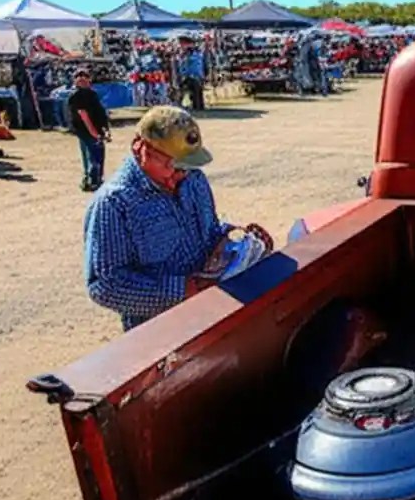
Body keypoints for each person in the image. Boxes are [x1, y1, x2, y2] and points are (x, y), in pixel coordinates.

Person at [83, 106, 272, 330]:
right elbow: (105, 285)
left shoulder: (193, 179)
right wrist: (183, 289)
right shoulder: (114, 203)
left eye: (186, 168)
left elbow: (208, 232)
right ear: (141, 148)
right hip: (160, 332)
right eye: (171, 166)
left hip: (211, 315)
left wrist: (238, 242)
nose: (179, 176)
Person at [67, 69, 111, 191]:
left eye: (85, 76)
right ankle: (92, 181)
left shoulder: (93, 94)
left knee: (95, 155)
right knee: (93, 156)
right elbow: (83, 115)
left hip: (96, 130)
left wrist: (105, 130)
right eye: (79, 76)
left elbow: (101, 113)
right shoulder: (76, 95)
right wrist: (94, 133)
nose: (82, 78)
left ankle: (92, 180)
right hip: (85, 130)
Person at [176, 36, 206, 111]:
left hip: (193, 76)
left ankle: (198, 106)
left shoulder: (194, 54)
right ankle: (196, 106)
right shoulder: (186, 54)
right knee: (192, 91)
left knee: (196, 91)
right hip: (189, 76)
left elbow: (194, 66)